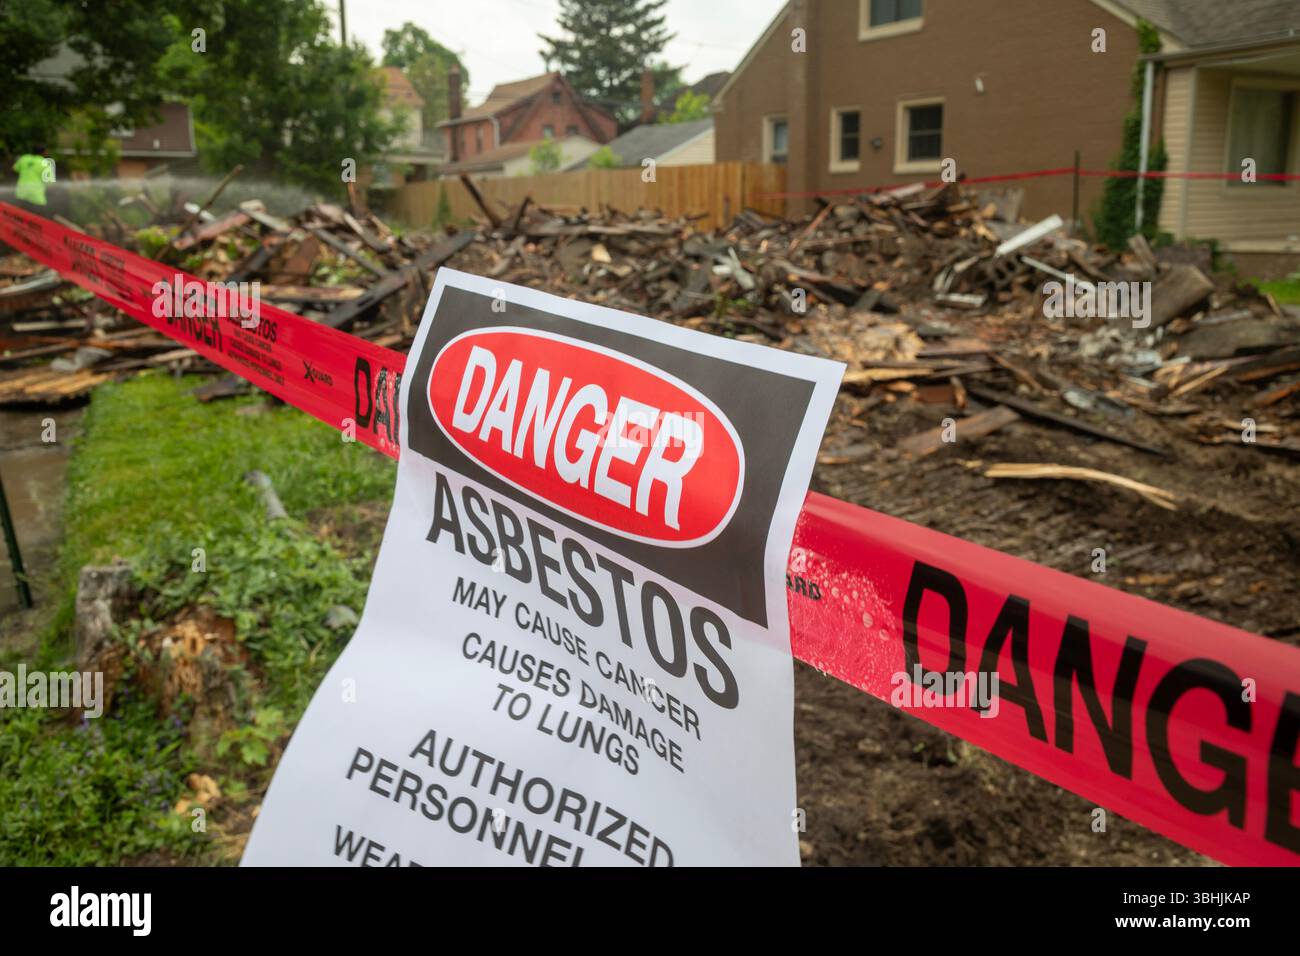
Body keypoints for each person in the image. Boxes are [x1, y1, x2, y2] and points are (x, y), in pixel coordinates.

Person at [13, 146, 51, 210]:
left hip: (21, 192)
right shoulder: (45, 163)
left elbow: (14, 170)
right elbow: (48, 181)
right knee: (38, 215)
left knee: (20, 215)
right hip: (36, 194)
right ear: (43, 152)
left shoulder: (24, 158)